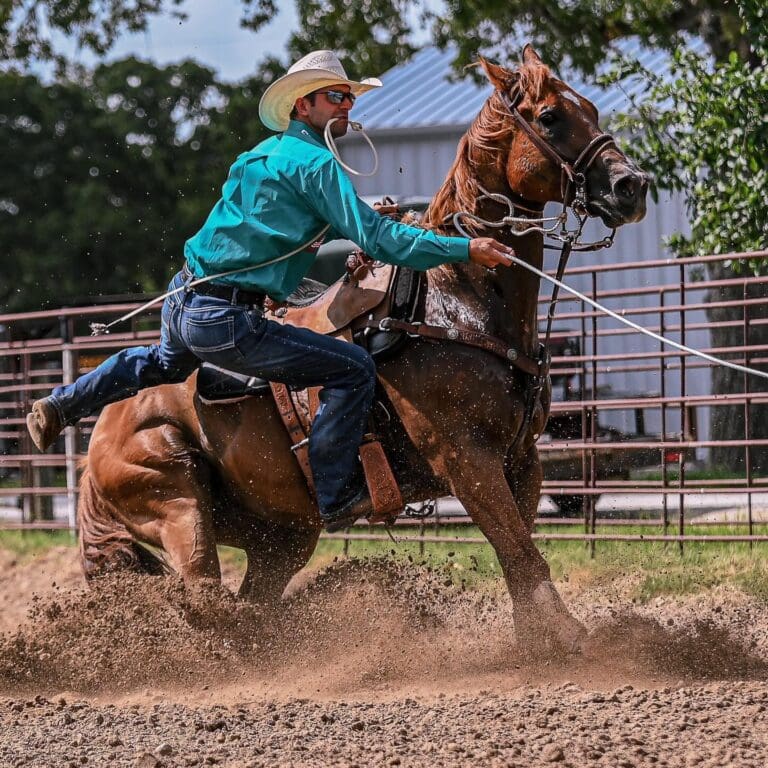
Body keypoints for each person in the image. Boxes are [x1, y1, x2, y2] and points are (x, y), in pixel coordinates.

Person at [26, 50, 515, 532]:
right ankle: (336, 495)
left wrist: (357, 225)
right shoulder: (318, 165)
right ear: (304, 105)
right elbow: (377, 240)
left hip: (184, 300)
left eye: (348, 97)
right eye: (335, 96)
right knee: (352, 369)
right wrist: (465, 249)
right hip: (227, 319)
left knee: (159, 364)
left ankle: (60, 405)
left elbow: (273, 228)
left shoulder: (261, 155)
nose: (347, 105)